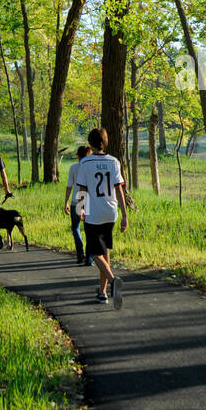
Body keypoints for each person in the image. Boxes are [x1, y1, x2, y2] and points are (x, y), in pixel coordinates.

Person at [75, 127, 128, 307]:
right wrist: (124, 216)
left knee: (93, 251)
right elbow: (119, 189)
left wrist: (81, 209)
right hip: (110, 212)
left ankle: (113, 282)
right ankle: (102, 293)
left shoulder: (85, 163)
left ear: (90, 143)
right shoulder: (114, 162)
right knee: (105, 252)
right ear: (104, 142)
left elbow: (83, 189)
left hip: (94, 213)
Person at [64, 144, 93, 266]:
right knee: (89, 231)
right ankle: (89, 258)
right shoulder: (91, 167)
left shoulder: (74, 167)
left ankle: (80, 253)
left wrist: (66, 202)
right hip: (89, 202)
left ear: (77, 155)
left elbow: (69, 186)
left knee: (75, 228)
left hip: (76, 201)